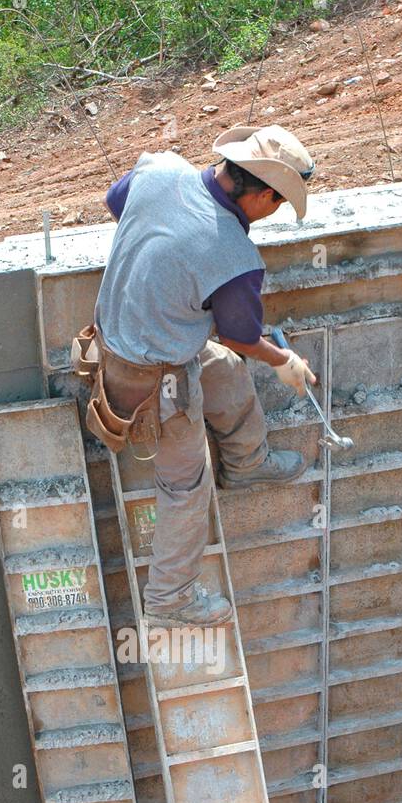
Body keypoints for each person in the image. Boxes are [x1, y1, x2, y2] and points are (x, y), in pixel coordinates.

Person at [81, 124, 319, 626]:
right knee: (186, 485)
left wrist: (169, 269)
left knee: (226, 371)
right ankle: (171, 601)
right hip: (154, 376)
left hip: (118, 334)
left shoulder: (161, 170)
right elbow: (238, 334)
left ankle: (248, 462)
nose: (272, 213)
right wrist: (285, 363)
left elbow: (116, 201)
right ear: (264, 193)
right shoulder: (233, 256)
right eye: (276, 204)